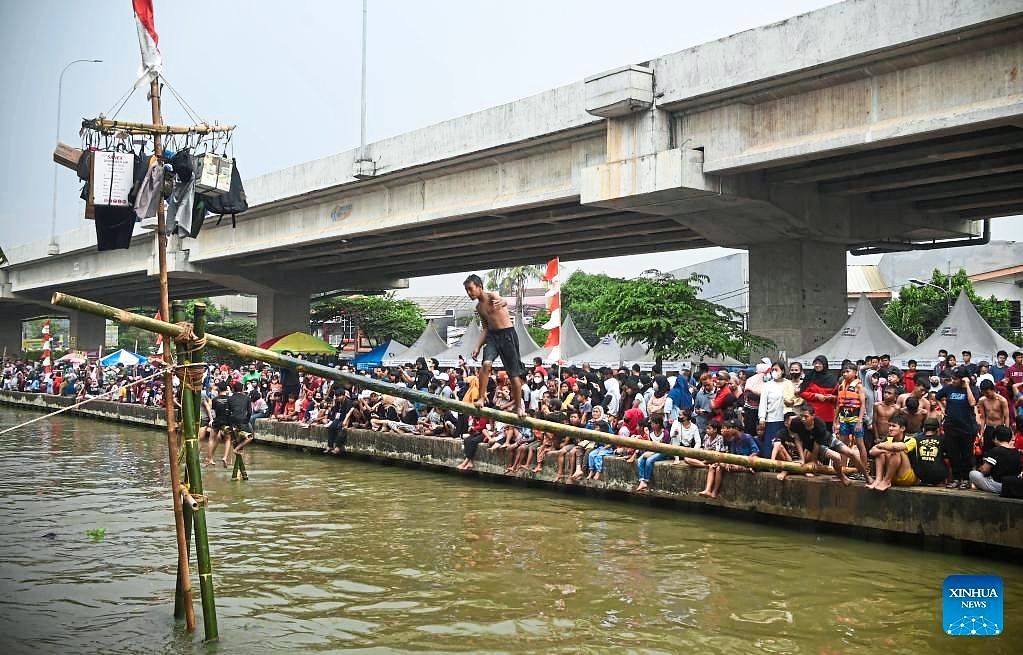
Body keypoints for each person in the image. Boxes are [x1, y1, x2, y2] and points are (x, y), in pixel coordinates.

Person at [464, 274, 526, 417]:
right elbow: (485, 328)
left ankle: (518, 407)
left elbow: (502, 300)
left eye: (471, 289)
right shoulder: (479, 307)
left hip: (507, 334)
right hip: (492, 336)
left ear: (479, 287)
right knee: (486, 364)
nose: (469, 293)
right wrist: (478, 347)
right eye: (467, 290)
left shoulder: (491, 296)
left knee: (513, 374)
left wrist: (502, 302)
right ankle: (481, 398)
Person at [935, 367, 979, 489]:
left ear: (963, 379)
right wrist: (943, 409)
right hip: (951, 427)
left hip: (967, 428)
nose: (953, 381)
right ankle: (956, 478)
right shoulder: (949, 388)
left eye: (956, 379)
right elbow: (937, 396)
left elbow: (972, 403)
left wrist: (967, 386)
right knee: (953, 454)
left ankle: (966, 479)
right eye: (952, 378)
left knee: (966, 455)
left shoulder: (973, 389)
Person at [867, 414, 917, 491]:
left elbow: (896, 447)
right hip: (893, 477)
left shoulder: (911, 440)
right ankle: (878, 479)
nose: (890, 428)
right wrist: (883, 450)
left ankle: (886, 481)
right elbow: (871, 451)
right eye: (889, 426)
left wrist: (882, 447)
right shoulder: (888, 439)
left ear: (902, 428)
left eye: (893, 426)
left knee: (896, 451)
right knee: (880, 453)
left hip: (906, 477)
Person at [968, 426, 1022, 494]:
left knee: (973, 474)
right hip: (1012, 485)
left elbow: (985, 470)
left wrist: (981, 467)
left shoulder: (996, 451)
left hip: (998, 485)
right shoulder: (1016, 452)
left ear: (996, 438)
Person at [635, 416, 668, 492]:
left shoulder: (665, 433)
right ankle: (642, 480)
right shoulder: (651, 433)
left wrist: (652, 453)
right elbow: (650, 445)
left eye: (653, 423)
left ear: (658, 424)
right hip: (652, 451)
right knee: (640, 460)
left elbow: (664, 447)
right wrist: (647, 435)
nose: (651, 425)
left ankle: (646, 480)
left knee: (649, 460)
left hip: (663, 452)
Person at [913, 417, 950, 486]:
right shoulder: (942, 440)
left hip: (921, 476)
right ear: (937, 429)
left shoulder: (915, 439)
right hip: (939, 476)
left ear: (924, 428)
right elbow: (948, 458)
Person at [978, 379, 1010, 453]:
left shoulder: (1002, 400)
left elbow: (1006, 417)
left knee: (1000, 452)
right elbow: (982, 418)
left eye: (987, 393)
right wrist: (981, 433)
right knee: (987, 451)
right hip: (989, 427)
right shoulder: (982, 400)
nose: (986, 395)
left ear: (993, 389)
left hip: (999, 427)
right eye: (984, 393)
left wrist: (1006, 433)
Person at [206, 381, 232, 467]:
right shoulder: (230, 399)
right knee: (228, 439)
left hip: (217, 420)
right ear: (226, 389)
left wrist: (212, 420)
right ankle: (225, 457)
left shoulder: (215, 399)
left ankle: (210, 458)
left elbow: (213, 411)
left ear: (218, 389)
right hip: (227, 421)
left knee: (211, 439)